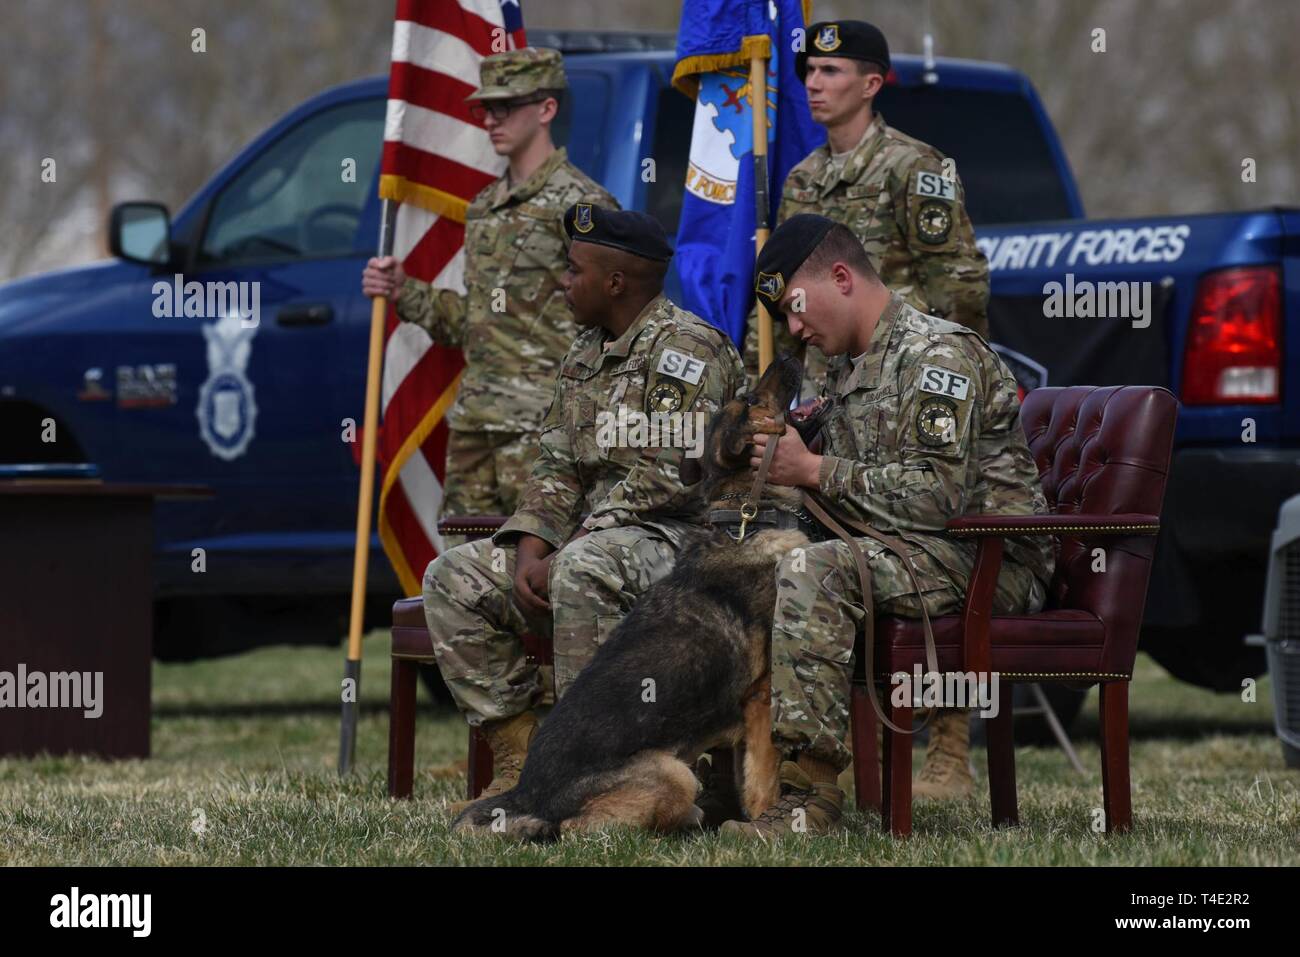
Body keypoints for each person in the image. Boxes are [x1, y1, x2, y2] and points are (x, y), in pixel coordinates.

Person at [723, 215, 1053, 837]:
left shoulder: (938, 355)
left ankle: (808, 801)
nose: (793, 329)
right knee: (755, 557)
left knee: (810, 570)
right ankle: (735, 777)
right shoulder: (851, 366)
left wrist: (814, 469)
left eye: (795, 308)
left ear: (842, 278)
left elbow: (937, 498)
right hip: (907, 550)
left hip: (986, 560)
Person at [421, 205, 745, 812]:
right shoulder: (584, 353)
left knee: (582, 570)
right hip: (597, 540)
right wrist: (530, 546)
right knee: (453, 578)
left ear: (614, 283)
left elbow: (670, 478)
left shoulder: (687, 352)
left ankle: (599, 773)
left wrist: (566, 551)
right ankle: (524, 758)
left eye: (573, 271)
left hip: (685, 545)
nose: (561, 284)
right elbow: (556, 466)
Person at [362, 47, 617, 520]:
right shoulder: (482, 207)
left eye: (507, 106)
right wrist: (405, 291)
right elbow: (475, 322)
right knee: (465, 573)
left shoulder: (582, 205)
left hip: (546, 428)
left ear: (546, 109)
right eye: (486, 108)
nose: (492, 120)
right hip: (476, 426)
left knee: (541, 572)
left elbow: (619, 321)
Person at [744, 19, 989, 395]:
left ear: (870, 85)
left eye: (830, 71)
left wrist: (951, 370)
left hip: (902, 379)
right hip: (824, 391)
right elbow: (782, 297)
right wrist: (759, 395)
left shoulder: (915, 166)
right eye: (809, 71)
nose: (812, 83)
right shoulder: (802, 178)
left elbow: (957, 290)